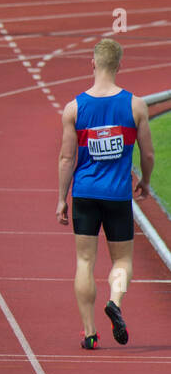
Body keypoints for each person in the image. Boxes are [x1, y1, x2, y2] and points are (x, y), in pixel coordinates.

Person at [56, 38, 153, 350]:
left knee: (84, 261)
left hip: (84, 194)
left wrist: (61, 198)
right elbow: (148, 155)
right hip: (117, 196)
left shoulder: (74, 108)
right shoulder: (135, 105)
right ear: (119, 65)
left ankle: (88, 332)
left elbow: (66, 159)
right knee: (122, 260)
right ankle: (115, 301)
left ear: (93, 63)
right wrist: (146, 181)